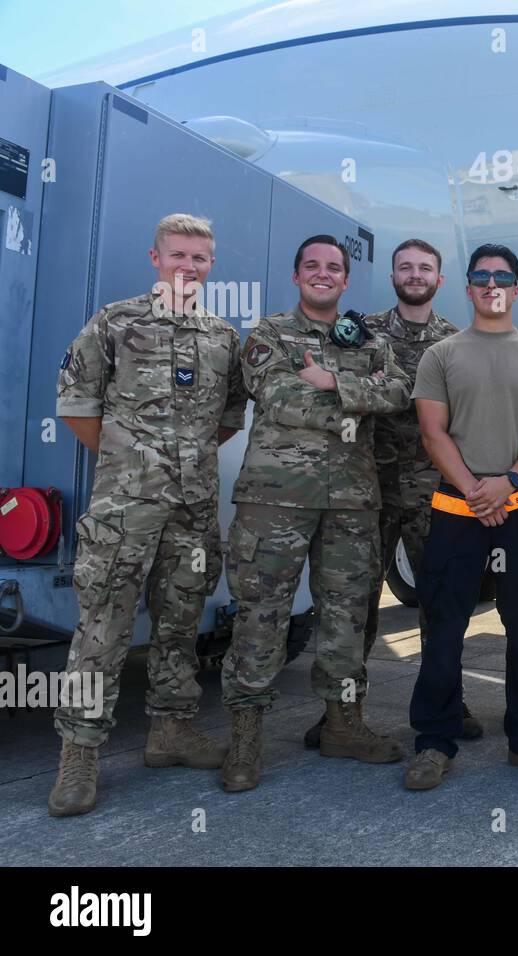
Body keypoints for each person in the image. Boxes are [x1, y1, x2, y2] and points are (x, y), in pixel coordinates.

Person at [49, 213, 247, 817]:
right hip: (124, 511)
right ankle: (79, 754)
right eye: (178, 256)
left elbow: (229, 416)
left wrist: (181, 461)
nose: (188, 267)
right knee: (101, 627)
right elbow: (78, 407)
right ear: (155, 258)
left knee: (181, 620)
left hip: (191, 509)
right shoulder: (114, 322)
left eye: (200, 259)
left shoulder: (221, 337)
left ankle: (171, 730)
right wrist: (132, 463)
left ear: (211, 266)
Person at [220, 235, 411, 792]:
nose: (323, 275)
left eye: (334, 268)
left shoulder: (367, 339)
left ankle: (342, 722)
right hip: (276, 499)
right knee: (261, 616)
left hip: (352, 500)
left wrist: (335, 382)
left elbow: (400, 390)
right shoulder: (270, 335)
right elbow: (282, 399)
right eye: (313, 267)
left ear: (346, 280)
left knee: (348, 617)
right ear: (297, 275)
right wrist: (360, 394)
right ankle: (246, 735)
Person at [405, 243, 518, 789]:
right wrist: (476, 489)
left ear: (516, 289)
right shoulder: (441, 355)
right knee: (444, 632)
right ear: (470, 287)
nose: (492, 284)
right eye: (482, 276)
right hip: (457, 510)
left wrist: (509, 483)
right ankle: (434, 741)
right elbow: (433, 432)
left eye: (502, 276)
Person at [297, 239, 473, 748]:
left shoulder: (455, 343)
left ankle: (447, 702)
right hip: (366, 490)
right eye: (406, 267)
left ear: (439, 279)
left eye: (425, 268)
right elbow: (334, 393)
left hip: (433, 495)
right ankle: (343, 714)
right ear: (392, 276)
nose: (415, 275)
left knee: (440, 605)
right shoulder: (359, 333)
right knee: (354, 608)